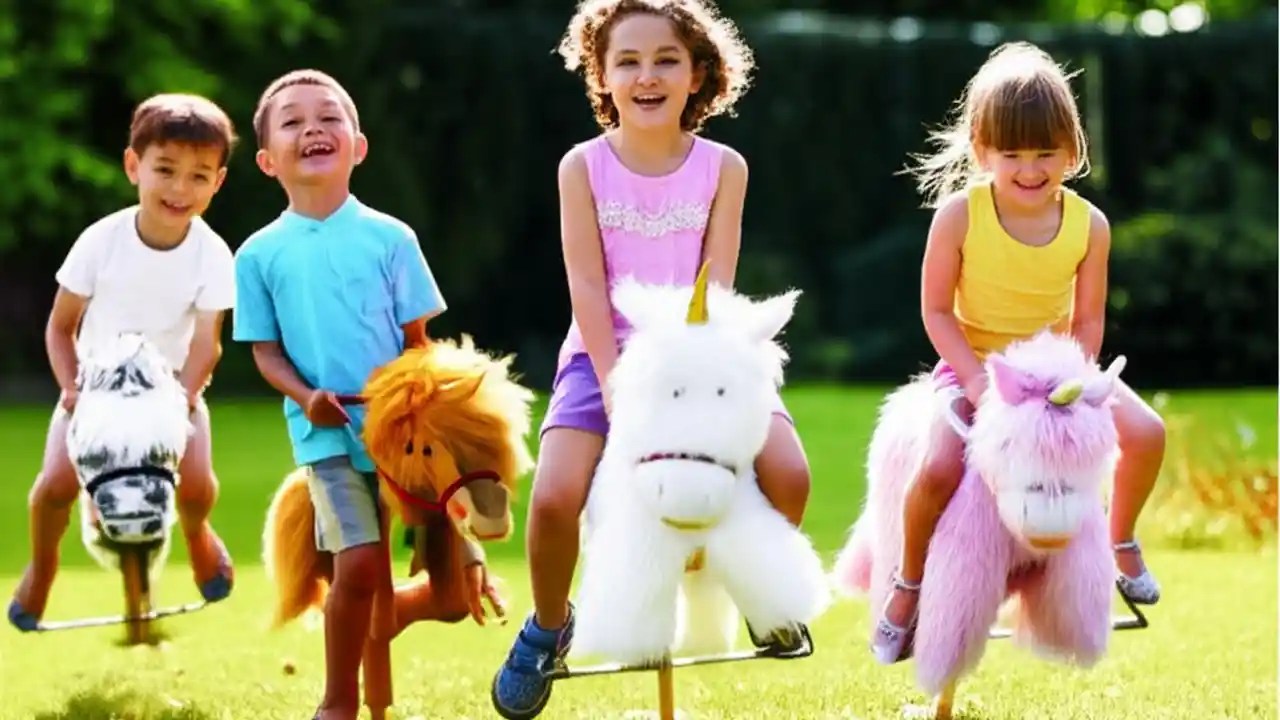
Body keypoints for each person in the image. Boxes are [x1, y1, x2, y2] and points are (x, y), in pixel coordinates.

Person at [490, 2, 812, 717]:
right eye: (627, 61)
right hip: (601, 356)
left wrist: (699, 379)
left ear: (698, 72)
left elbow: (716, 283)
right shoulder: (583, 166)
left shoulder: (724, 167)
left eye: (666, 59)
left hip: (703, 357)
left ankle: (747, 590)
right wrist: (614, 383)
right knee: (553, 498)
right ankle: (547, 626)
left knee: (788, 474)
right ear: (601, 75)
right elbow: (584, 282)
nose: (647, 76)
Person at [871, 41, 1168, 665]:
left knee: (1146, 432)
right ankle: (908, 583)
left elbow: (1088, 320)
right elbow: (935, 311)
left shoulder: (1091, 225)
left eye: (1046, 153)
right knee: (939, 467)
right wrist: (979, 382)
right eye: (1012, 155)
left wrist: (1070, 383)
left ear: (1073, 150)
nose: (1031, 169)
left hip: (1057, 373)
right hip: (973, 367)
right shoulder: (960, 215)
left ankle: (1122, 542)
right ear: (982, 152)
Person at [231, 69, 500, 720]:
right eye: (293, 122)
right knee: (355, 568)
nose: (313, 128)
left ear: (358, 145)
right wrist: (306, 394)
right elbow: (265, 353)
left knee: (455, 600)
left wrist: (428, 411)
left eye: (329, 118)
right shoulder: (259, 255)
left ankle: (394, 609)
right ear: (268, 160)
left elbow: (419, 344)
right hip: (325, 436)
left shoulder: (391, 238)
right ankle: (337, 702)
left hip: (407, 439)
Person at [8, 93, 239, 631]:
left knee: (199, 483)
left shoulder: (212, 254)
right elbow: (60, 327)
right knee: (56, 486)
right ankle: (42, 568)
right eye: (165, 170)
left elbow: (209, 342)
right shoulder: (100, 241)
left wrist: (184, 396)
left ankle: (198, 535)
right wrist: (71, 389)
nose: (180, 189)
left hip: (170, 394)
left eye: (198, 176)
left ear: (218, 183)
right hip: (97, 396)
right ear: (134, 166)